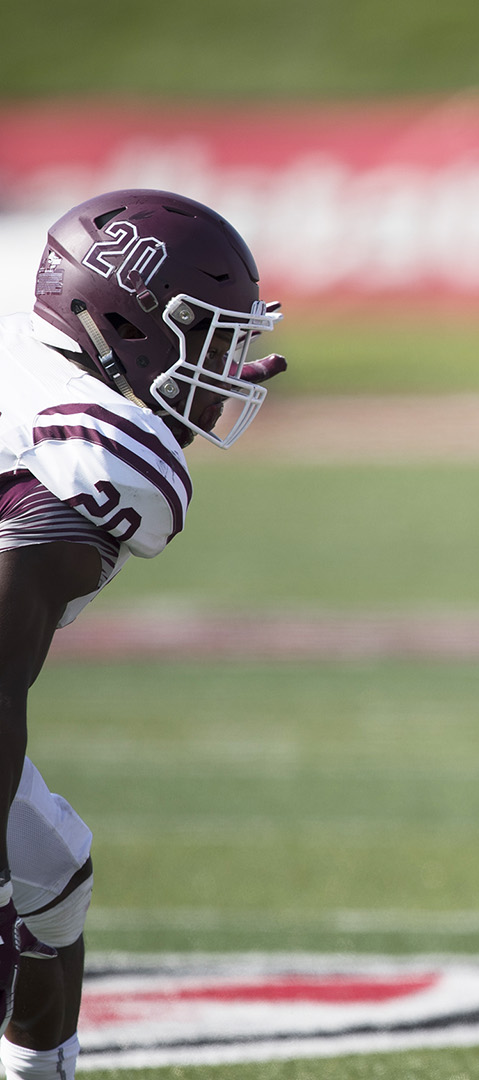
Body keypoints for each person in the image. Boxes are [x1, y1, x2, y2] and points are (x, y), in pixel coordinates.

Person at [0, 189, 287, 1080]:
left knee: (54, 872)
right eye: (208, 338)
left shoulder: (35, 367)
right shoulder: (99, 451)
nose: (227, 369)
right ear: (125, 312)